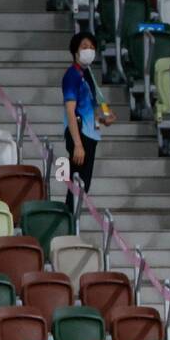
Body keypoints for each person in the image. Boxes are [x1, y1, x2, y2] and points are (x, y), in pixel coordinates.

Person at [61, 30, 114, 211]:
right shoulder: (72, 76)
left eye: (92, 47)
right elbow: (70, 110)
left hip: (90, 134)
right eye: (84, 47)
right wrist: (77, 144)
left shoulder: (87, 74)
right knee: (77, 184)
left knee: (84, 186)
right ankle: (69, 223)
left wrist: (102, 118)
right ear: (75, 51)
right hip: (79, 134)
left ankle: (72, 221)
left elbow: (87, 108)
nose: (89, 50)